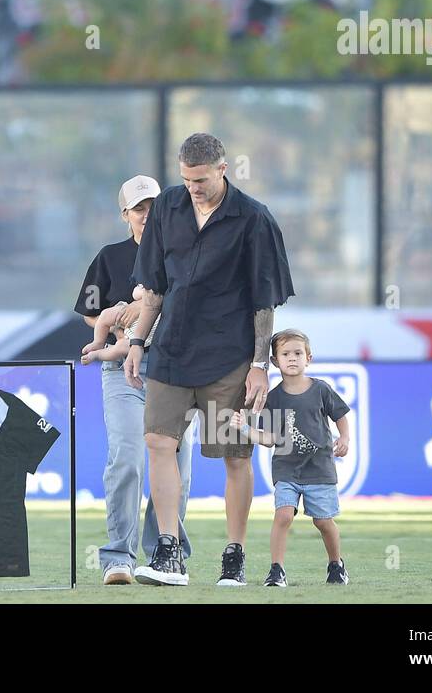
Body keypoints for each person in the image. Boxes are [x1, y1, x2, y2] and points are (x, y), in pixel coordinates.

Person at [125, 133, 295, 587]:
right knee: (159, 443)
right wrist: (139, 340)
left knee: (234, 456)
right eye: (185, 179)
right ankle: (168, 553)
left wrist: (260, 365)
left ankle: (234, 555)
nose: (192, 188)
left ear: (223, 169)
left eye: (200, 179)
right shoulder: (166, 208)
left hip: (229, 357)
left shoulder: (255, 219)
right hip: (171, 351)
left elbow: (264, 303)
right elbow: (156, 287)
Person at [74, 175, 192, 587]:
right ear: (125, 215)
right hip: (124, 373)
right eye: (139, 208)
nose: (147, 215)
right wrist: (119, 321)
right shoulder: (109, 256)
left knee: (178, 465)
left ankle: (167, 552)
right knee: (126, 458)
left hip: (175, 371)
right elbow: (90, 312)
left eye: (153, 206)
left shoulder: (184, 252)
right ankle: (117, 557)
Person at [232, 328, 351, 587]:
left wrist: (344, 438)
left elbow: (340, 415)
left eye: (298, 353)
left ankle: (336, 564)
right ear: (275, 361)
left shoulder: (321, 390)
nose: (292, 358)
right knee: (283, 515)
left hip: (320, 469)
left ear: (309, 358)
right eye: (285, 354)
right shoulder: (273, 398)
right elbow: (270, 438)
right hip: (286, 470)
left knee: (323, 521)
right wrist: (245, 429)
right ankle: (277, 570)